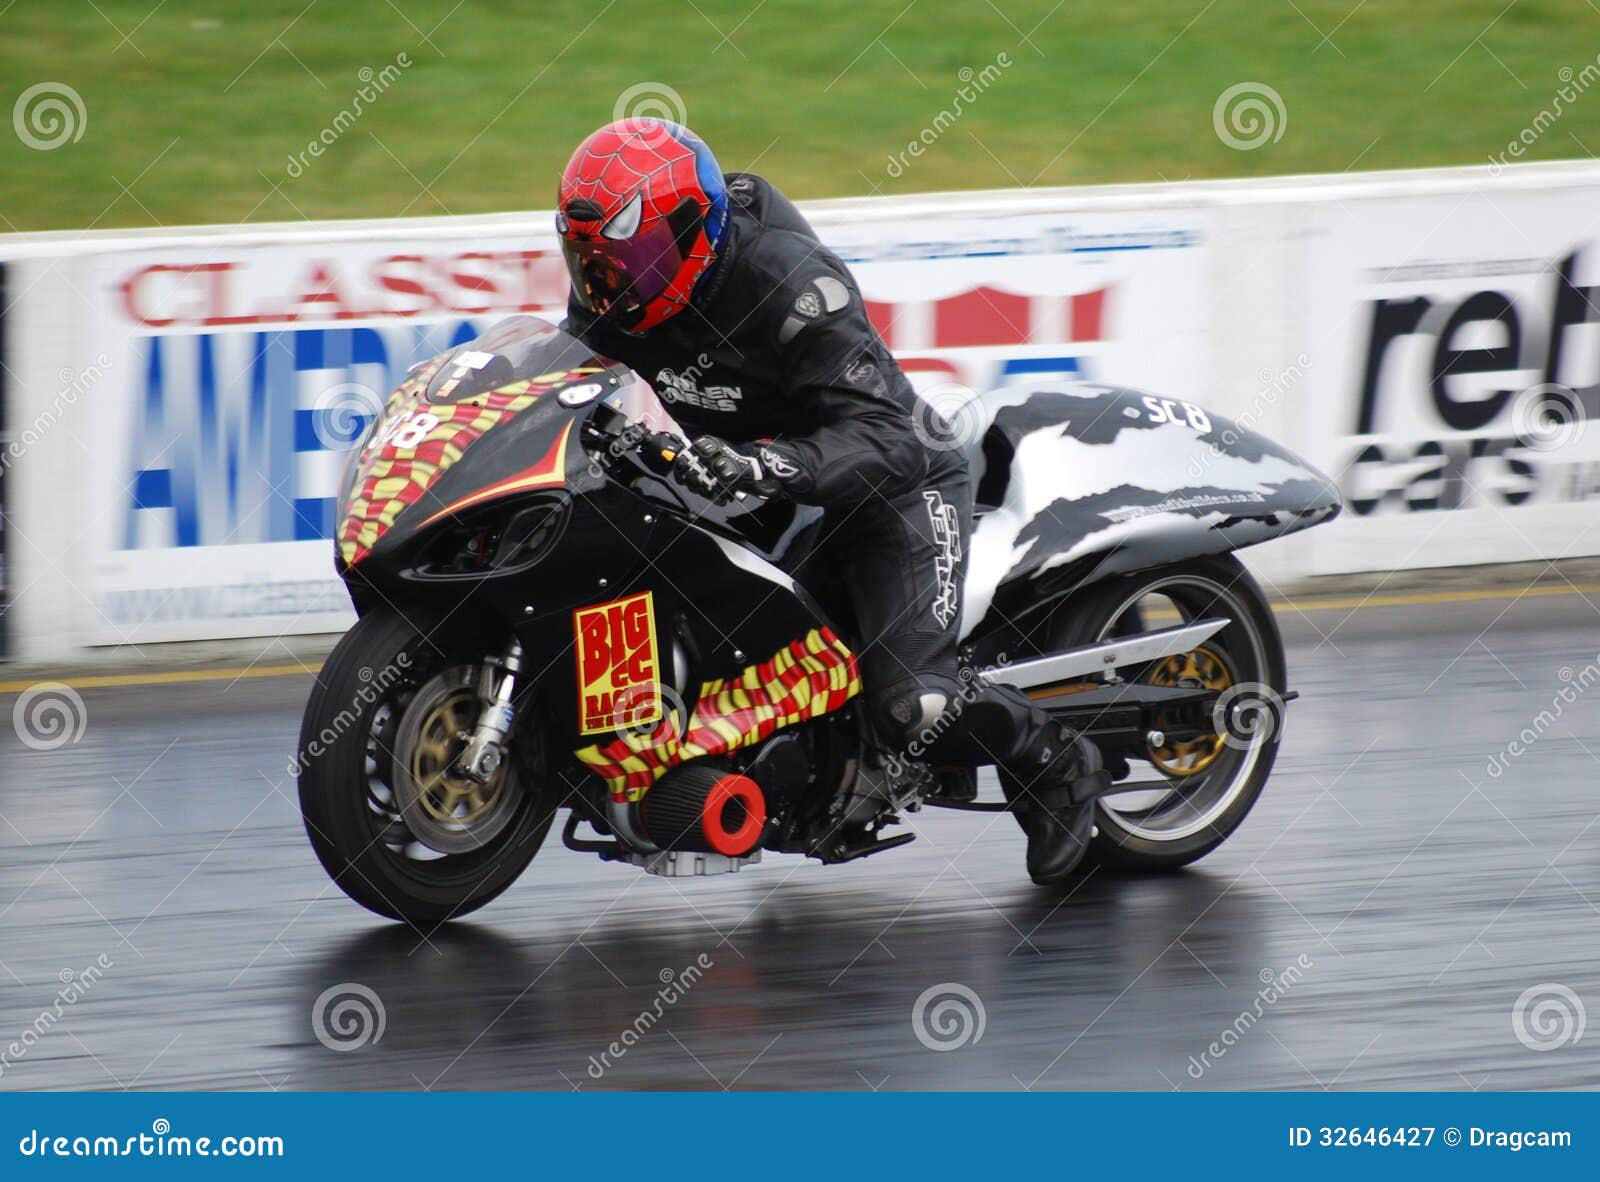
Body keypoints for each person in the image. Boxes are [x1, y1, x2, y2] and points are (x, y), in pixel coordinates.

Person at [556, 117, 1107, 884]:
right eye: (592, 262)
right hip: (757, 490)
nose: (611, 283)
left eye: (632, 260)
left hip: (890, 488)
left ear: (692, 235)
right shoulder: (615, 298)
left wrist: (765, 464)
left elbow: (890, 436)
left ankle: (1055, 759)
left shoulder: (791, 284)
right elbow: (570, 382)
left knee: (911, 708)